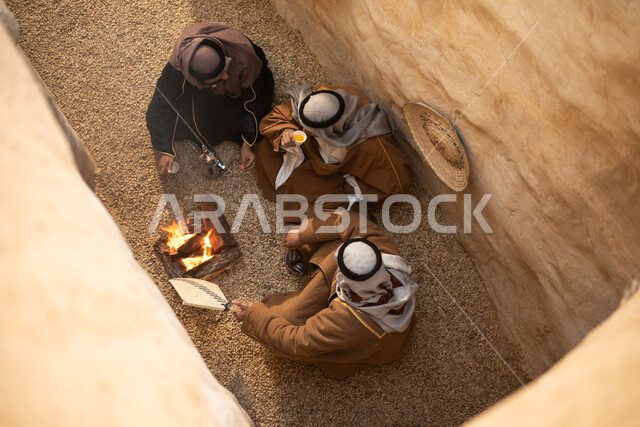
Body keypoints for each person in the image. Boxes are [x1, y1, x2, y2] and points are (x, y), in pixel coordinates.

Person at [233, 210, 418, 378]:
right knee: (331, 235)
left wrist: (253, 314)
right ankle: (310, 264)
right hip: (350, 302)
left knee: (281, 317)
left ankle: (309, 273)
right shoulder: (382, 250)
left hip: (361, 334)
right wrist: (303, 235)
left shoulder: (350, 320)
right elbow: (348, 221)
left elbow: (295, 342)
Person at [146, 22, 274, 181]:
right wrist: (165, 149)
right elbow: (163, 99)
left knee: (242, 124)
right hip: (209, 89)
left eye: (225, 71)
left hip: (244, 85)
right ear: (195, 79)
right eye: (220, 77)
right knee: (181, 117)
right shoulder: (183, 61)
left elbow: (257, 101)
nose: (227, 77)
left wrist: (248, 143)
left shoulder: (247, 61)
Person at [255, 83, 412, 209]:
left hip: (340, 173)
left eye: (311, 131)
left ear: (330, 130)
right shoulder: (318, 99)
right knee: (265, 149)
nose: (305, 131)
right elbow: (277, 116)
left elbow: (399, 182)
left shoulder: (372, 143)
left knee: (313, 197)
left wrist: (353, 187)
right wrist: (286, 131)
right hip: (314, 153)